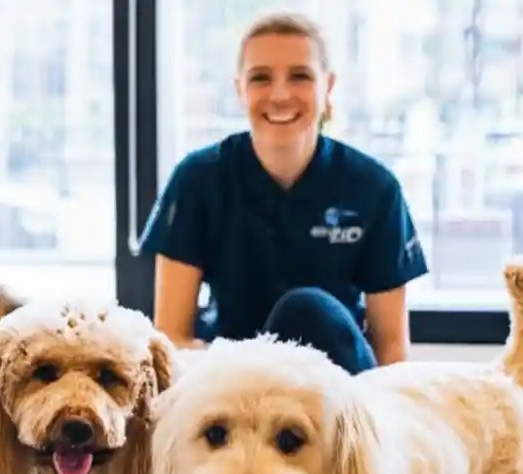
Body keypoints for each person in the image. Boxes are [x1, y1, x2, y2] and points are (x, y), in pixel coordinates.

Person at [138, 11, 428, 374]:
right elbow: (172, 340)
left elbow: (392, 352)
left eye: (300, 76)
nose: (280, 94)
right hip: (236, 386)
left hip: (340, 387)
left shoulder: (374, 188)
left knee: (305, 309)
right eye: (260, 78)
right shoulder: (197, 179)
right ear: (239, 89)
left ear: (328, 87)